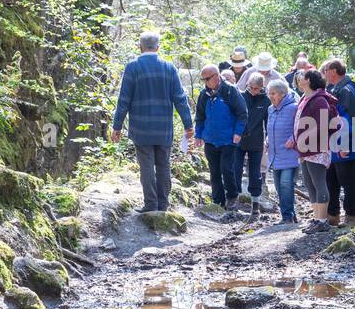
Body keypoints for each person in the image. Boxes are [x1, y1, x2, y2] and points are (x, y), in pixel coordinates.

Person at [110, 31, 194, 213]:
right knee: (163, 165)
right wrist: (188, 125)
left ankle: (150, 205)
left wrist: (117, 126)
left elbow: (123, 100)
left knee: (146, 165)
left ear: (140, 46)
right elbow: (180, 98)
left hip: (141, 128)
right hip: (163, 128)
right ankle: (163, 205)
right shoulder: (169, 67)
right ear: (158, 47)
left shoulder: (133, 67)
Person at [193, 64, 247, 209]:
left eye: (208, 78)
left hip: (228, 139)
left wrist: (238, 132)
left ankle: (232, 196)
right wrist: (198, 135)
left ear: (217, 76)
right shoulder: (204, 94)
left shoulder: (230, 90)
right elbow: (200, 116)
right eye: (203, 79)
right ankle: (218, 201)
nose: (206, 82)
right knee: (214, 171)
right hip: (210, 139)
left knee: (226, 169)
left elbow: (242, 114)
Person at [293, 68, 339, 233]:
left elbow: (323, 124)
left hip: (316, 147)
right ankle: (315, 218)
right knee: (309, 184)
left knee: (319, 183)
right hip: (305, 148)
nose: (299, 79)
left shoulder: (320, 100)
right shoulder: (305, 98)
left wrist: (305, 138)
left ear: (310, 80)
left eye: (302, 77)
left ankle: (322, 220)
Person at [321, 58, 355, 228]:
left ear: (334, 71)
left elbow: (350, 120)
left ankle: (352, 216)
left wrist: (345, 143)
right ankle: (333, 214)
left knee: (348, 180)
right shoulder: (333, 88)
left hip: (346, 142)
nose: (324, 73)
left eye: (326, 70)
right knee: (331, 178)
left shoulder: (347, 89)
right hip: (333, 143)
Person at [265, 78, 301, 225]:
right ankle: (290, 215)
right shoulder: (270, 109)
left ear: (283, 94)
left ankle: (287, 217)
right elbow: (269, 127)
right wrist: (267, 139)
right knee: (279, 188)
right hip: (275, 155)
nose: (271, 96)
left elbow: (301, 127)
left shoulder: (294, 107)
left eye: (273, 93)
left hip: (290, 153)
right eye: (269, 93)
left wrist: (293, 138)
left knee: (286, 184)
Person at [237, 71, 271, 218]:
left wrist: (268, 139)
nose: (252, 90)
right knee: (235, 170)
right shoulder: (241, 97)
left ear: (261, 87)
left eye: (256, 88)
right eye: (250, 87)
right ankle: (233, 203)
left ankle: (255, 205)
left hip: (257, 140)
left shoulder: (265, 100)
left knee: (255, 173)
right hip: (239, 140)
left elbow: (269, 122)